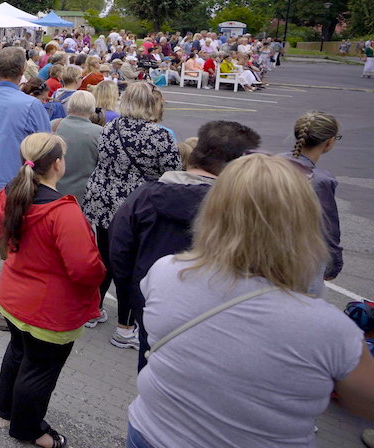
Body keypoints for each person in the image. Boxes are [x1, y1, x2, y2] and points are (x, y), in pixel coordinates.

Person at [126, 154, 374, 448]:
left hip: (150, 433)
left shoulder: (167, 271)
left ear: (213, 211)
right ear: (304, 224)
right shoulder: (330, 329)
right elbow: (366, 402)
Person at [109, 120, 260, 370]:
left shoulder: (145, 196)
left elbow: (119, 250)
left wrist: (136, 297)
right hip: (213, 320)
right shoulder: (243, 212)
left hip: (152, 307)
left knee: (151, 372)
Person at [0, 133, 104, 448]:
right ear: (57, 164)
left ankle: (6, 408)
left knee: (18, 352)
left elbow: (2, 235)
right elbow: (85, 269)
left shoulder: (9, 193)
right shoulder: (63, 212)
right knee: (40, 370)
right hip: (48, 311)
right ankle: (28, 429)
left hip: (13, 296)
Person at [81, 82, 182, 350]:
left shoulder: (110, 127)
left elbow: (102, 161)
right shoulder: (160, 135)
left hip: (104, 202)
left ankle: (93, 310)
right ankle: (125, 328)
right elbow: (173, 174)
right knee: (130, 267)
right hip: (137, 208)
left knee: (105, 258)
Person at [0, 47, 50, 328]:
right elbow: (46, 145)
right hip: (15, 184)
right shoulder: (30, 105)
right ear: (21, 72)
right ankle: (7, 312)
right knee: (15, 245)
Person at [286, 111, 344, 279]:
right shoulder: (319, 180)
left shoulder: (271, 163)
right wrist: (334, 266)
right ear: (329, 142)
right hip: (297, 261)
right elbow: (328, 229)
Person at [51, 91, 101, 203]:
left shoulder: (53, 125)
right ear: (92, 108)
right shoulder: (99, 133)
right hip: (84, 197)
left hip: (53, 193)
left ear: (69, 106)